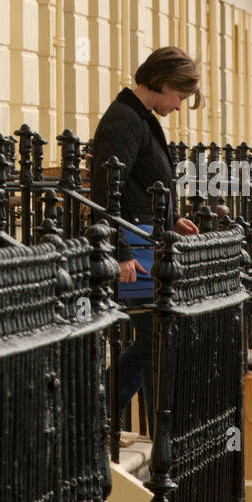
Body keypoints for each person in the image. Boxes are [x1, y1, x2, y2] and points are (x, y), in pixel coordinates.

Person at [89, 46, 202, 436]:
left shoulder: (139, 117)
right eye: (180, 97)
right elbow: (106, 189)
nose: (179, 105)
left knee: (158, 333)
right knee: (157, 334)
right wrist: (118, 252)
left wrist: (172, 218)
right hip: (133, 250)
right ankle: (99, 409)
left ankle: (100, 409)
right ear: (163, 82)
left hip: (147, 242)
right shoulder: (125, 119)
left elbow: (140, 185)